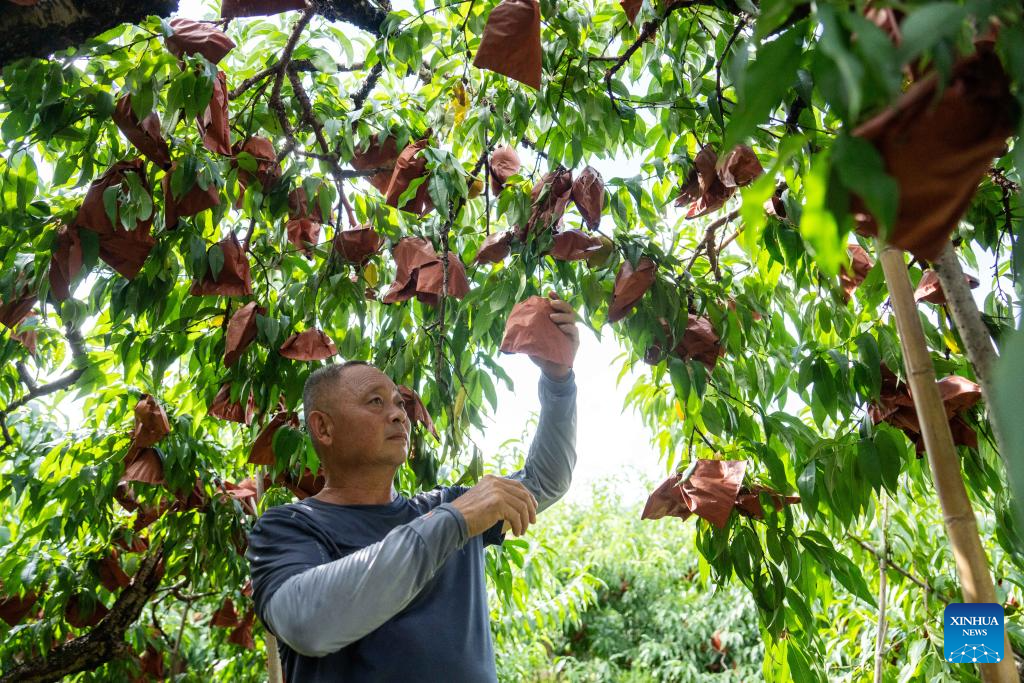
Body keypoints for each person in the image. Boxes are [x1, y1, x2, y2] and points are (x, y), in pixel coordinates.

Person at [246, 294, 580, 681]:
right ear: (323, 428)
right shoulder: (287, 527)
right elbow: (308, 624)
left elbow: (544, 481)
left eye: (398, 404)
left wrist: (559, 381)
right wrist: (454, 521)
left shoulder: (451, 506)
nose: (398, 415)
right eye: (375, 402)